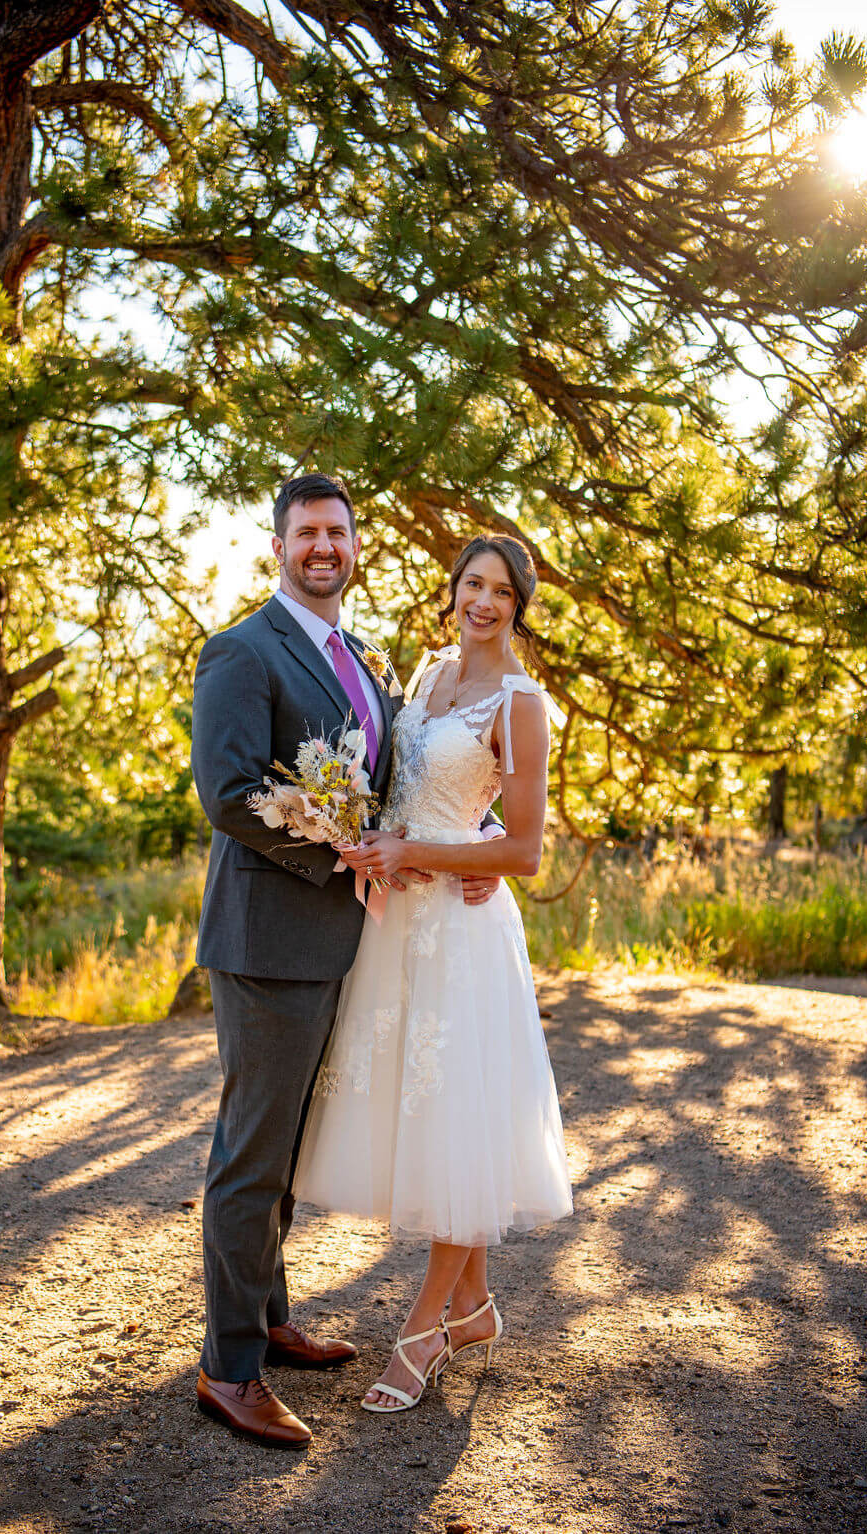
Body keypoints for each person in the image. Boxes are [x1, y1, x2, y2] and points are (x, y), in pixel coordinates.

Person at [189, 474, 502, 1447]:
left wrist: (477, 835)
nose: (323, 546)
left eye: (337, 532)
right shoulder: (243, 650)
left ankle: (271, 1319)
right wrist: (333, 844)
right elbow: (229, 791)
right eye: (306, 532)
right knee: (251, 1153)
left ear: (353, 545)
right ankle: (228, 1366)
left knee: (283, 1145)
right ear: (278, 543)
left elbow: (407, 775)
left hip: (337, 940)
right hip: (267, 939)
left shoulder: (361, 657)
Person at [293, 533, 573, 1413]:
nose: (482, 603)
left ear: (520, 605)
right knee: (439, 1125)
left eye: (500, 592)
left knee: (455, 1116)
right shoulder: (422, 676)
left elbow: (524, 850)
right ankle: (476, 1307)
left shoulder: (520, 705)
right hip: (397, 923)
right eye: (471, 585)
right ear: (451, 590)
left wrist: (441, 851)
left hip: (461, 931)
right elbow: (400, 789)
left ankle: (421, 1332)